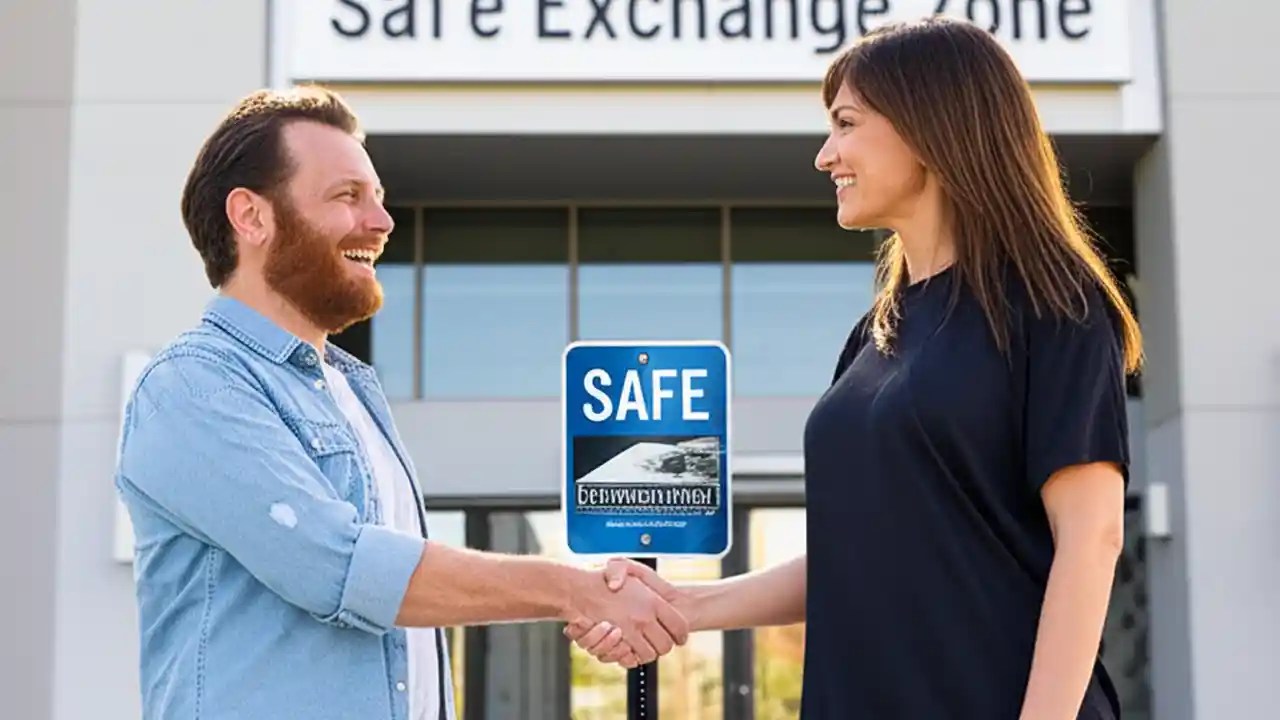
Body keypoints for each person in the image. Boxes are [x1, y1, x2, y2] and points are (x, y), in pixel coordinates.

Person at [567, 16, 1141, 720]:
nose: (824, 155)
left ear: (932, 128)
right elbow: (855, 556)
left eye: (846, 124)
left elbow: (1092, 539)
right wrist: (681, 605)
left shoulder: (1055, 305)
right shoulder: (876, 335)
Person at [113, 86, 685, 720]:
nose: (382, 224)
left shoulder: (352, 391)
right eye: (347, 196)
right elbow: (338, 567)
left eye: (379, 199)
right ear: (251, 217)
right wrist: (573, 591)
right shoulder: (193, 387)